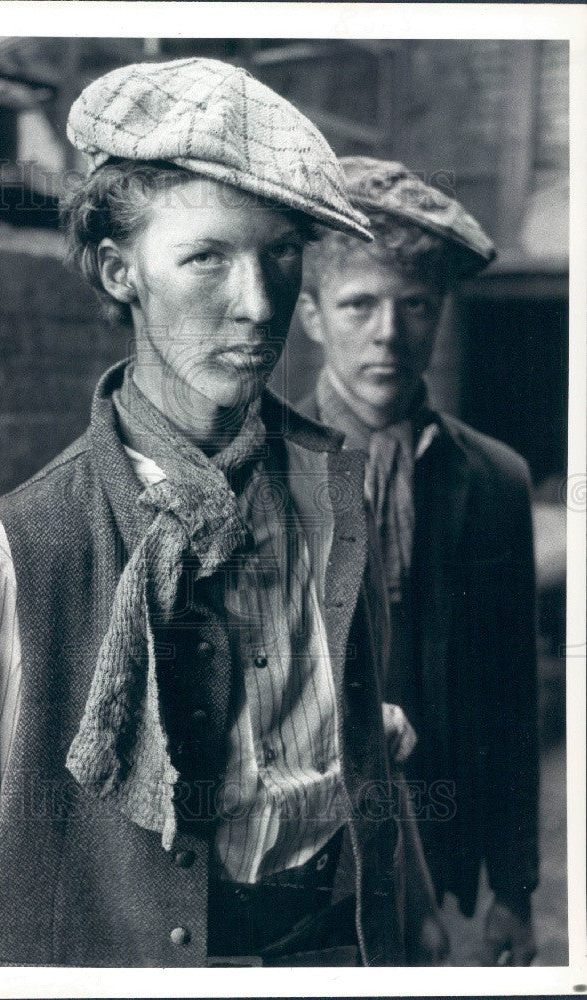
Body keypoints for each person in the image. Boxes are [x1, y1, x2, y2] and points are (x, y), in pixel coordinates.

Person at [0, 60, 441, 968]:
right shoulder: (30, 546)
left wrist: (416, 916)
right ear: (121, 272)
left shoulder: (333, 493)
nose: (259, 304)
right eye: (206, 258)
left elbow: (362, 743)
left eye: (281, 254)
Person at [295, 156, 539, 965]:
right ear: (311, 315)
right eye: (358, 305)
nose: (389, 335)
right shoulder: (262, 466)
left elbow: (510, 696)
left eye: (415, 307)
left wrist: (514, 888)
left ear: (441, 315)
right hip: (308, 858)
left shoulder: (496, 478)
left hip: (449, 849)